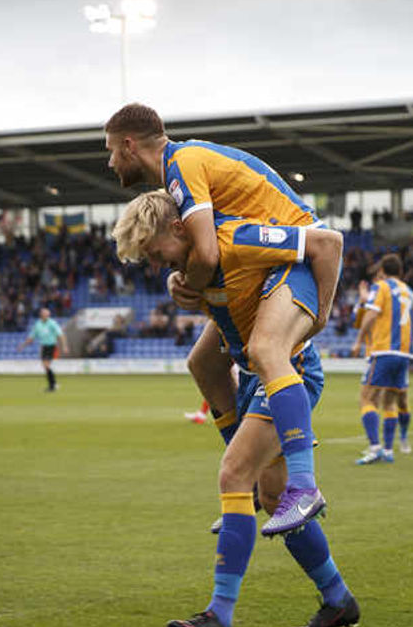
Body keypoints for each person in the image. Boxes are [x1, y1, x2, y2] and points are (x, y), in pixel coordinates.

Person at [112, 189, 357, 627]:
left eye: (156, 251)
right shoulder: (192, 273)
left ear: (179, 228)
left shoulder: (238, 239)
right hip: (249, 376)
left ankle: (219, 616)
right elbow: (225, 327)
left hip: (289, 372)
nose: (160, 265)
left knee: (234, 473)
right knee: (270, 493)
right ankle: (338, 598)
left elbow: (326, 242)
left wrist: (321, 314)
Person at [105, 102, 329, 531]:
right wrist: (182, 280)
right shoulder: (178, 173)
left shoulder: (182, 164)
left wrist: (321, 311)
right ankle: (243, 472)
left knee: (265, 349)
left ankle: (303, 484)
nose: (110, 161)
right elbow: (200, 253)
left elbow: (206, 252)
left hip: (293, 253)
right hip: (266, 257)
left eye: (112, 151)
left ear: (129, 145)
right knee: (203, 362)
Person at [353, 255, 413, 464]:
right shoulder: (409, 291)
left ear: (383, 270)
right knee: (389, 401)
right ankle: (388, 450)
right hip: (404, 353)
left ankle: (374, 447)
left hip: (383, 350)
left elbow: (370, 316)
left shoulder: (381, 287)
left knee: (367, 398)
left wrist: (358, 341)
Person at [19, 308, 64, 392]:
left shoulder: (52, 323)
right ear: (41, 315)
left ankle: (52, 386)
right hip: (43, 346)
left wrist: (65, 346)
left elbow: (60, 334)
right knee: (45, 366)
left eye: (47, 314)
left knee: (46, 365)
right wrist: (23, 345)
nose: (46, 315)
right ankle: (53, 384)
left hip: (51, 346)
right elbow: (31, 337)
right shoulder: (38, 324)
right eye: (44, 313)